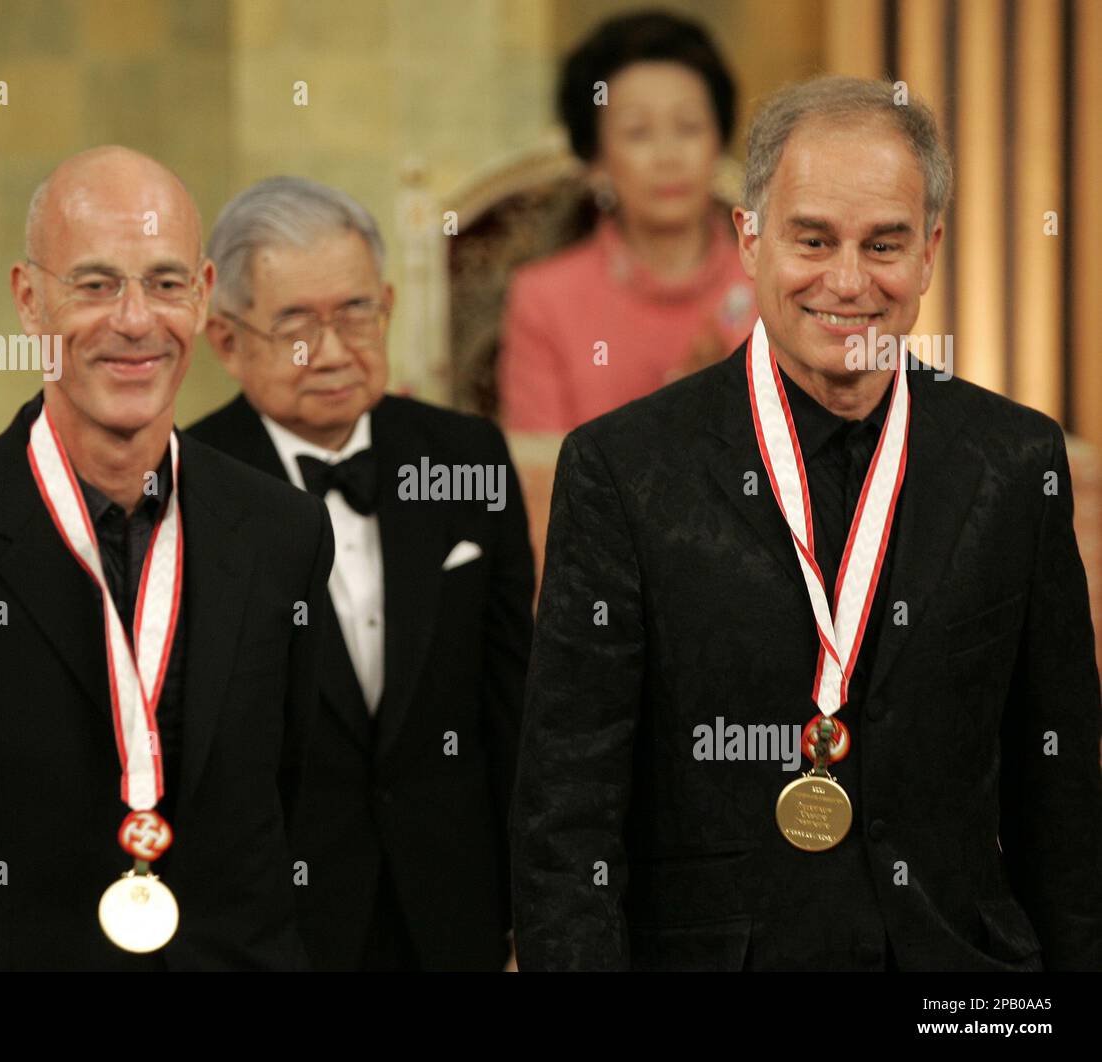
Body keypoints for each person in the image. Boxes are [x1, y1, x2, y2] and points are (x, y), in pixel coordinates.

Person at [511, 77, 1102, 971]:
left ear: (932, 251)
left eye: (885, 244)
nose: (849, 281)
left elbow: (1059, 793)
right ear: (750, 239)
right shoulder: (625, 470)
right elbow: (569, 809)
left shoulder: (1015, 462)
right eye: (814, 239)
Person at [0, 146, 334, 971]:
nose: (134, 320)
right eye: (94, 284)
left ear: (200, 296)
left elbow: (294, 811)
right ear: (28, 300)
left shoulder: (285, 535)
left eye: (164, 283)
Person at [187, 176, 534, 971]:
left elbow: (514, 703)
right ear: (227, 340)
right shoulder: (190, 489)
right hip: (272, 931)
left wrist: (531, 910)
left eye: (355, 313)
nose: (336, 351)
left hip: (457, 918)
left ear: (387, 304)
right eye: (297, 326)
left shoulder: (466, 456)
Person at [496, 9, 756, 435]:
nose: (669, 156)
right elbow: (543, 483)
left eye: (688, 127)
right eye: (638, 132)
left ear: (718, 143)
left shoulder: (770, 289)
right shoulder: (543, 300)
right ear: (596, 162)